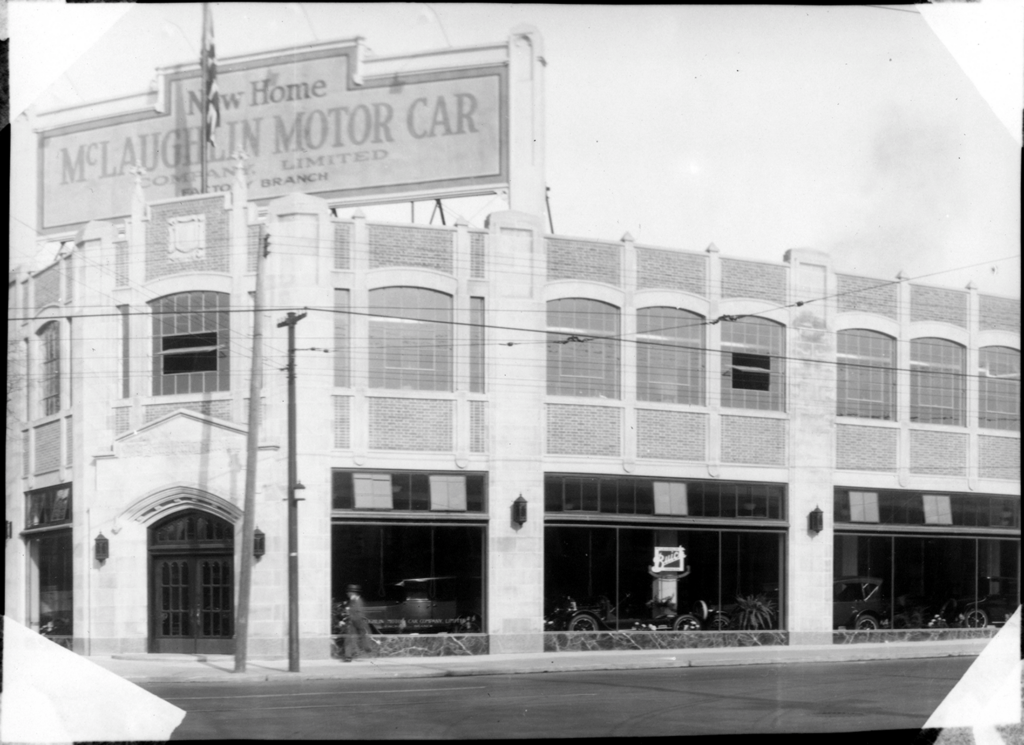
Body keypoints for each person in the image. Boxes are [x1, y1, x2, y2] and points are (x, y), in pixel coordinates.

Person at [342, 584, 376, 662]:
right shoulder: (352, 601)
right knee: (349, 638)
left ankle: (367, 648)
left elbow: (359, 613)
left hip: (359, 621)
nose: (347, 594)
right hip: (353, 621)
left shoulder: (358, 601)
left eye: (349, 592)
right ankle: (348, 656)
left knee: (362, 635)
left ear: (352, 593)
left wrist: (350, 617)